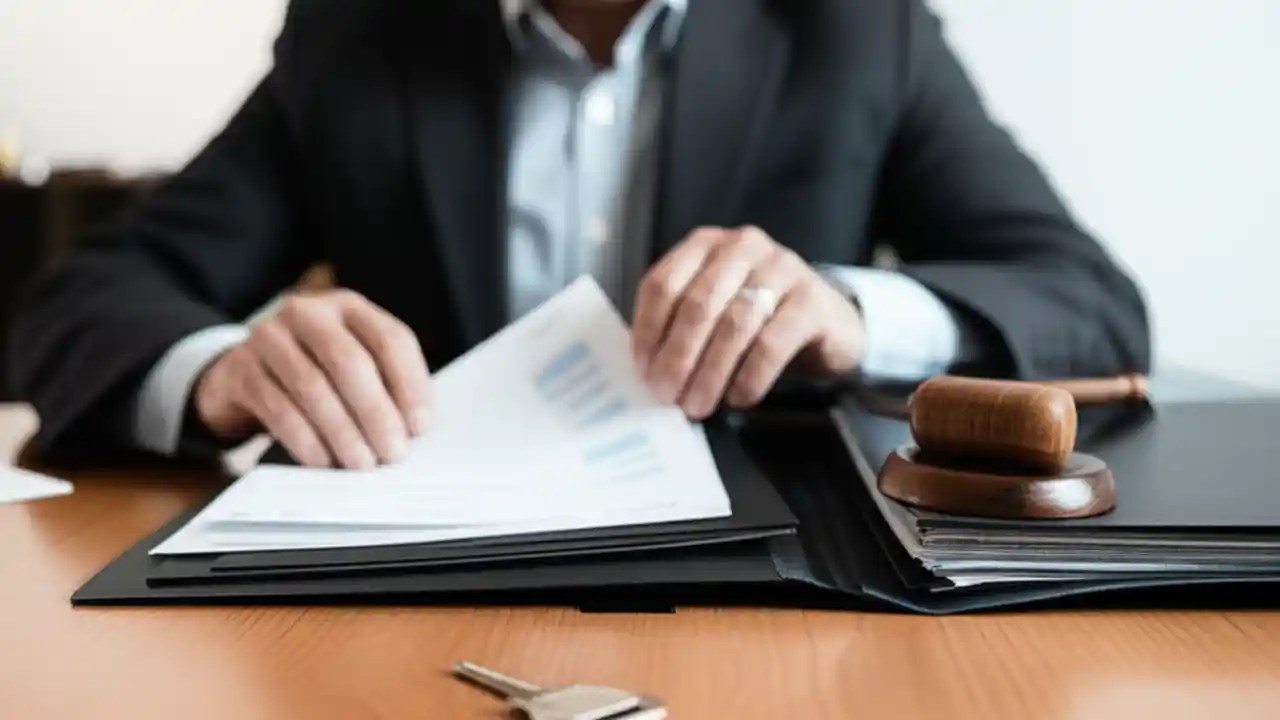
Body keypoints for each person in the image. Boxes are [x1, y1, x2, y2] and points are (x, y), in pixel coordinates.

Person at [8, 0, 1149, 468]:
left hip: (776, 606)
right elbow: (83, 299)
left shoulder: (853, 26)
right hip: (426, 600)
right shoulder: (360, 31)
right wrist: (222, 374)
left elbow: (1086, 298)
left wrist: (848, 315)